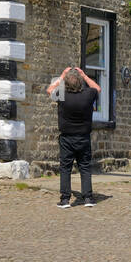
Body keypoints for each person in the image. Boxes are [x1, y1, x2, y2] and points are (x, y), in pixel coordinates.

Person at [46, 66, 100, 207]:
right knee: (85, 167)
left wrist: (63, 75)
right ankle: (88, 198)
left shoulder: (62, 95)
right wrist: (84, 75)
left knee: (65, 168)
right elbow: (97, 88)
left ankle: (65, 199)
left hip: (67, 138)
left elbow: (49, 90)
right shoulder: (88, 94)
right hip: (83, 137)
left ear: (67, 84)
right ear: (81, 82)